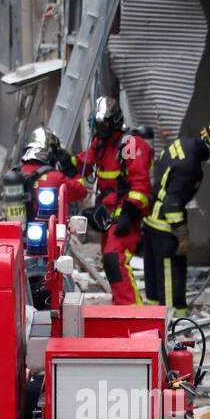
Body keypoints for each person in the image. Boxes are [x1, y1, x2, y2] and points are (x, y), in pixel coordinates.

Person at [141, 124, 210, 309]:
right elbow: (172, 205)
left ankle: (153, 318)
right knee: (170, 278)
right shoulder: (191, 167)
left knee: (153, 278)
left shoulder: (180, 144)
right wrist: (181, 236)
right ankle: (173, 323)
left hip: (150, 221)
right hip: (165, 228)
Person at [76, 98, 153, 305]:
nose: (98, 130)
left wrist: (128, 215)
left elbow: (141, 186)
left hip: (124, 212)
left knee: (114, 258)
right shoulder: (101, 144)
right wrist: (63, 161)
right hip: (108, 211)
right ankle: (121, 306)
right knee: (110, 263)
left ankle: (132, 311)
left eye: (103, 125)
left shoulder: (129, 145)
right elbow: (83, 163)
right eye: (97, 125)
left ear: (114, 122)